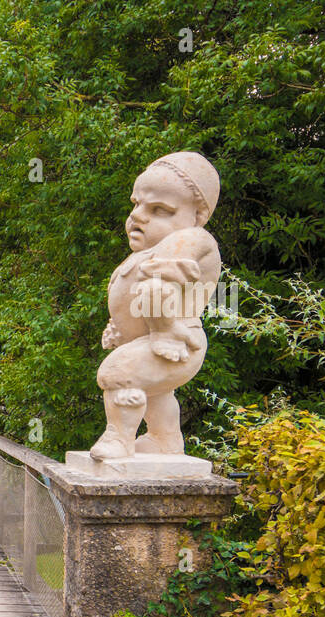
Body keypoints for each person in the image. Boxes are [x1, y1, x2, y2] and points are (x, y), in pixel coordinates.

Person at [89, 152, 221, 461]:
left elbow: (157, 290)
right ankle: (166, 439)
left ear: (196, 217)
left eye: (160, 210)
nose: (139, 216)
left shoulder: (192, 240)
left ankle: (119, 438)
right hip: (155, 336)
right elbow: (129, 304)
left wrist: (163, 331)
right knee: (159, 392)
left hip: (178, 339)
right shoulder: (145, 253)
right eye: (137, 205)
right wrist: (119, 331)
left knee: (117, 372)